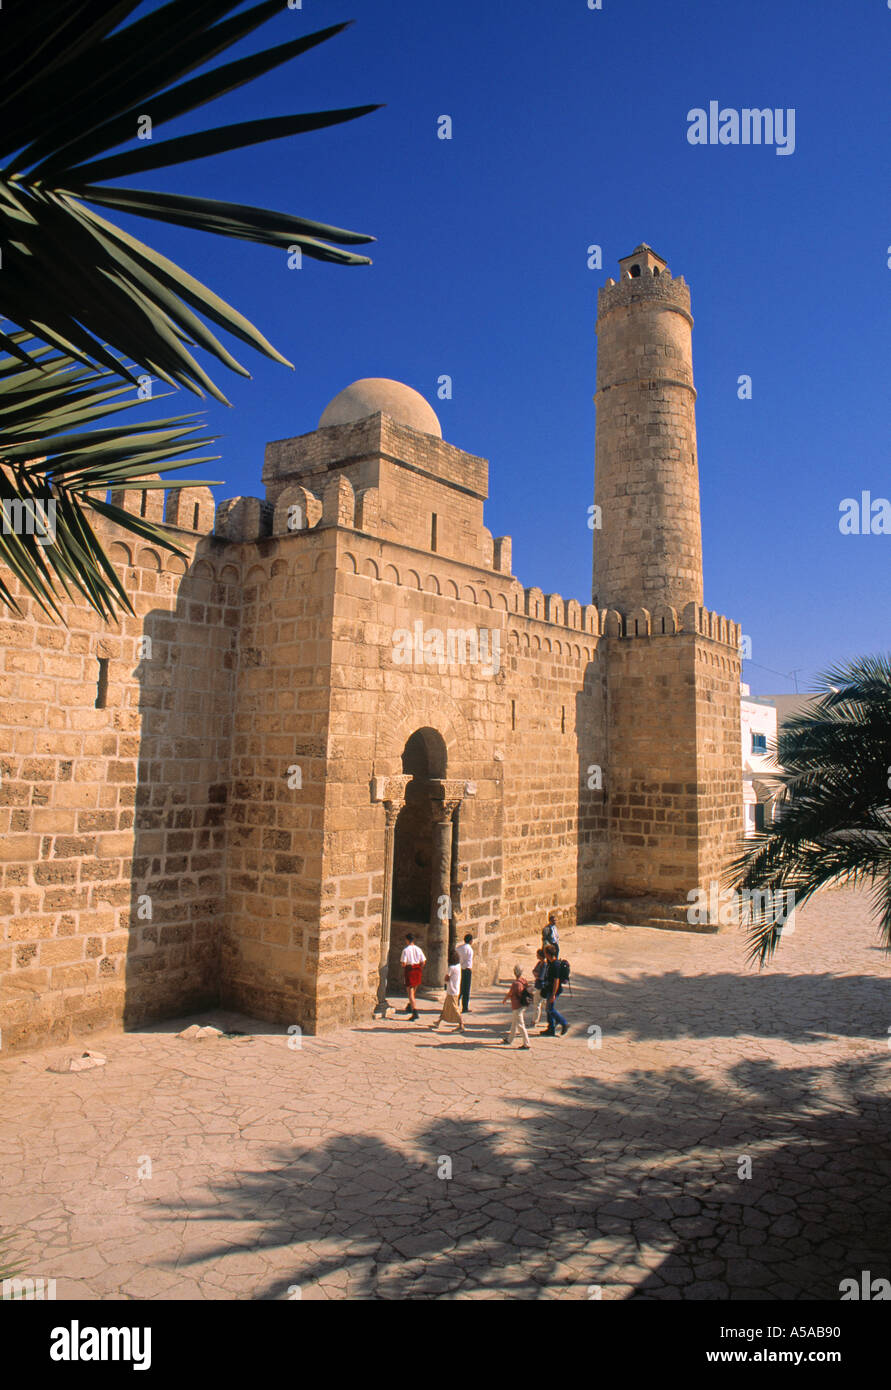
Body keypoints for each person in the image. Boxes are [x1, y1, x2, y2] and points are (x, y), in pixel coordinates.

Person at [432, 947, 465, 1032]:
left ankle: (461, 1024)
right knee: (446, 1007)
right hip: (455, 989)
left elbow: (446, 978)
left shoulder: (452, 968)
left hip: (452, 991)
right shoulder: (458, 966)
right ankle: (438, 1021)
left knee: (454, 1008)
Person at [540, 944, 568, 1037]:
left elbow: (556, 981)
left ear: (548, 954)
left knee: (550, 1009)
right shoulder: (551, 963)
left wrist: (553, 994)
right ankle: (550, 1028)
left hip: (554, 990)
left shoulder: (555, 965)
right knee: (548, 1009)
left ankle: (564, 1023)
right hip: (550, 989)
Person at [501, 964, 531, 1049]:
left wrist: (505, 999)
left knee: (520, 1025)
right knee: (514, 1023)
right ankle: (510, 1039)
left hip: (517, 1006)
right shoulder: (523, 981)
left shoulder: (515, 984)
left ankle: (526, 1043)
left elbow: (511, 993)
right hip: (522, 1005)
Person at [400, 933, 425, 1021]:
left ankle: (414, 1011)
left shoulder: (406, 950)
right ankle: (410, 1005)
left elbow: (403, 963)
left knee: (410, 992)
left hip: (410, 970)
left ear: (407, 940)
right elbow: (423, 961)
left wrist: (405, 966)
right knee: (414, 990)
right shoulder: (418, 949)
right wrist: (419, 968)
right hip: (417, 969)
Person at [456, 931, 474, 1012]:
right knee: (466, 989)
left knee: (459, 987)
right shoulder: (470, 949)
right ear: (470, 941)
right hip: (466, 970)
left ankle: (455, 1004)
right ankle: (465, 1007)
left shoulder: (459, 948)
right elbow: (467, 960)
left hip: (459, 969)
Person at [531, 948, 548, 1027]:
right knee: (544, 1004)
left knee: (537, 1004)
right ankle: (553, 1018)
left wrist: (537, 975)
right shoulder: (539, 963)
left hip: (541, 987)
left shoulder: (544, 964)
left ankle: (534, 1021)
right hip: (538, 985)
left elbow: (541, 977)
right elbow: (534, 971)